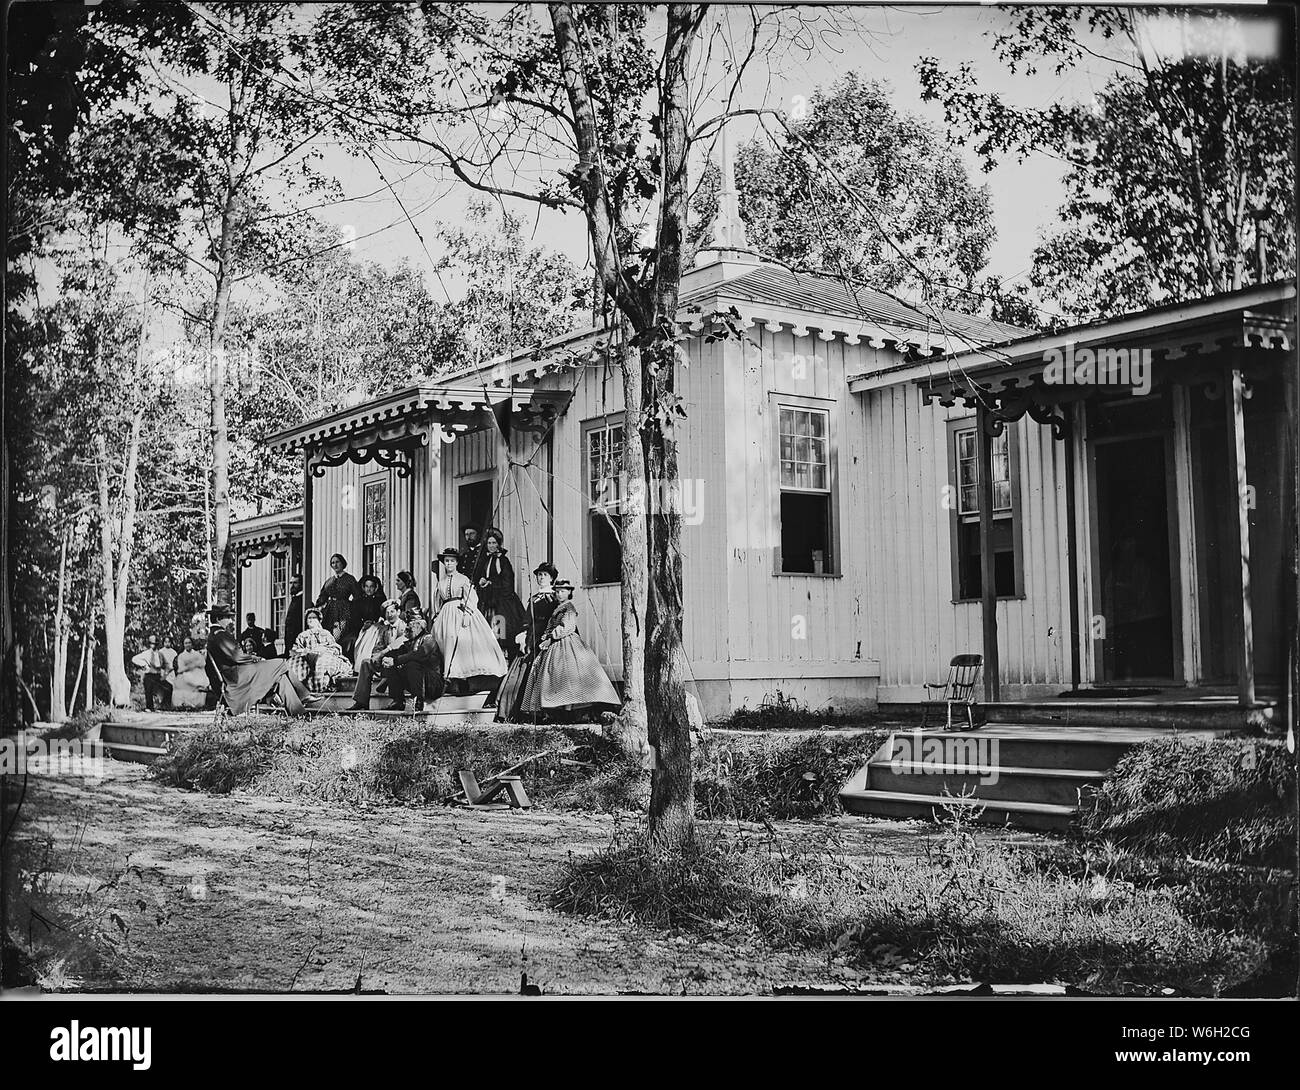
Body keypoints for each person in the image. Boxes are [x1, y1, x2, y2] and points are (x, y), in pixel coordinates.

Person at [518, 579, 621, 720]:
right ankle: (560, 710)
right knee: (556, 677)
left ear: (569, 593)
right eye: (558, 591)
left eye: (563, 591)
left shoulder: (569, 608)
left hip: (566, 642)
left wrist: (551, 637)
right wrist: (546, 636)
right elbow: (552, 625)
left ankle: (574, 710)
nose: (560, 594)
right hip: (555, 643)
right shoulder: (558, 608)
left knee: (571, 675)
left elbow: (566, 627)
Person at [205, 606, 320, 715]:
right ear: (219, 619)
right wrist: (255, 658)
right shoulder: (220, 635)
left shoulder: (214, 635)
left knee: (281, 677)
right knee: (282, 663)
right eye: (227, 617)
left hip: (237, 674)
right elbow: (237, 656)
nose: (230, 621)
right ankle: (304, 695)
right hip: (239, 676)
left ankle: (298, 712)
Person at [429, 547, 507, 694]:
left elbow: (472, 597)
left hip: (461, 611)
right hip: (446, 615)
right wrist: (437, 615)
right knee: (444, 643)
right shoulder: (441, 582)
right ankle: (450, 680)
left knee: (463, 645)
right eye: (446, 561)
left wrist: (467, 613)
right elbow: (437, 602)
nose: (449, 564)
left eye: (452, 561)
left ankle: (467, 681)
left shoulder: (463, 579)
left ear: (457, 563)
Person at [495, 562, 559, 722]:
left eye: (545, 575)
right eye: (539, 575)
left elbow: (557, 618)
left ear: (551, 578)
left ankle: (543, 712)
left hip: (546, 636)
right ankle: (515, 711)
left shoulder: (554, 597)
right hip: (531, 636)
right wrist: (523, 634)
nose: (541, 578)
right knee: (521, 669)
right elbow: (526, 620)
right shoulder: (534, 598)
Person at [352, 610, 442, 711]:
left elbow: (417, 655)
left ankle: (418, 702)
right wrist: (383, 658)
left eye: (410, 627)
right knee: (384, 663)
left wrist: (395, 661)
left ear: (419, 626)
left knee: (411, 664)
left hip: (432, 685)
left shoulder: (428, 640)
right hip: (418, 681)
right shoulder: (410, 642)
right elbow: (397, 652)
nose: (407, 630)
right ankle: (397, 702)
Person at [475, 527, 528, 658]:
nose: (491, 546)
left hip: (503, 602)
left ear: (498, 544)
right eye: (489, 543)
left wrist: (492, 584)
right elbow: (481, 577)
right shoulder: (485, 561)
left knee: (502, 629)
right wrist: (482, 582)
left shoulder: (503, 561)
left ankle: (504, 658)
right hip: (488, 601)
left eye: (494, 543)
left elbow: (508, 583)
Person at [288, 608, 354, 692]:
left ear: (319, 620)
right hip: (309, 657)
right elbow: (295, 650)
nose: (311, 620)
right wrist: (308, 651)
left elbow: (335, 647)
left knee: (324, 662)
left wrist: (324, 650)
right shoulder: (302, 635)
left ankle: (323, 684)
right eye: (309, 618)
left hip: (325, 655)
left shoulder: (325, 633)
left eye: (314, 618)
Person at [315, 553, 359, 656]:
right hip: (329, 612)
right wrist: (318, 608)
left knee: (339, 635)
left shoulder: (349, 579)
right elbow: (322, 596)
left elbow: (357, 596)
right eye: (333, 563)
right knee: (327, 635)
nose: (335, 565)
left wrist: (350, 606)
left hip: (344, 611)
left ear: (343, 563)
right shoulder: (329, 581)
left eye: (337, 562)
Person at [132, 635, 176, 711]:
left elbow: (166, 665)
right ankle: (149, 707)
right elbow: (135, 659)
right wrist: (144, 664)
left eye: (155, 644)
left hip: (158, 675)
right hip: (149, 674)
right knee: (149, 689)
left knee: (168, 687)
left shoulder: (160, 654)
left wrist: (165, 674)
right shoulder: (146, 653)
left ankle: (164, 706)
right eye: (151, 643)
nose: (153, 645)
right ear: (149, 644)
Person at [350, 575, 388, 663]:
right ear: (363, 588)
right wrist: (363, 624)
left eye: (371, 587)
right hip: (361, 627)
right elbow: (355, 617)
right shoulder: (358, 601)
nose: (369, 589)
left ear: (375, 588)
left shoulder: (380, 600)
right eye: (366, 586)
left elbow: (383, 616)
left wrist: (376, 622)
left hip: (377, 627)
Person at [170, 637, 210, 710]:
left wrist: (194, 666)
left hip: (197, 673)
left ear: (192, 644)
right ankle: (184, 704)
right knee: (182, 681)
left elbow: (202, 663)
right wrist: (192, 665)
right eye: (186, 643)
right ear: (183, 645)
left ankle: (196, 705)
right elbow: (181, 668)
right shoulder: (181, 656)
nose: (187, 645)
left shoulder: (197, 654)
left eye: (189, 643)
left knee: (200, 681)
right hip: (186, 673)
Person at [283, 575, 304, 657]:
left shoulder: (303, 601)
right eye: (291, 583)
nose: (292, 585)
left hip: (298, 646)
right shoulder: (294, 600)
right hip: (290, 645)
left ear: (301, 585)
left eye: (295, 583)